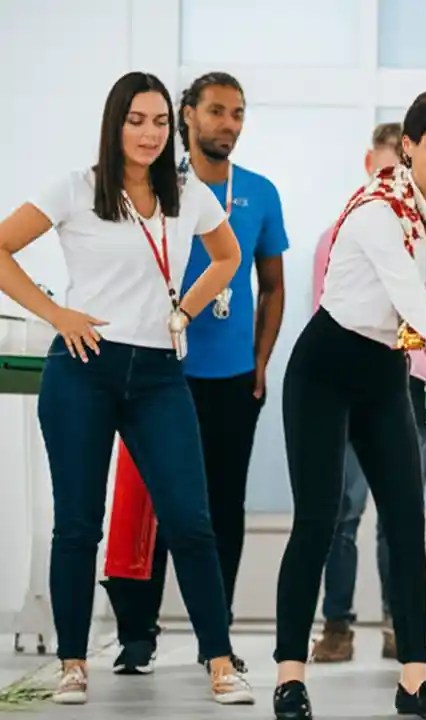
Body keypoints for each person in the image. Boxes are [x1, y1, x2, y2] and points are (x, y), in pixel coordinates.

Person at [0, 71, 253, 706]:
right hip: (83, 368)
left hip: (160, 373)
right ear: (115, 125)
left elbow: (227, 258)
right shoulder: (76, 188)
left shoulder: (187, 194)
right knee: (79, 525)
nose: (148, 133)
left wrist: (185, 312)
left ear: (174, 128)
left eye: (160, 122)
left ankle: (219, 661)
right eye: (136, 120)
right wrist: (56, 315)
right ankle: (72, 663)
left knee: (192, 523)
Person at [272, 89, 426, 720]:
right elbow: (413, 302)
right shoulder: (379, 211)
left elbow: (424, 307)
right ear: (407, 147)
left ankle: (413, 683)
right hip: (325, 366)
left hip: (386, 369)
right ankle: (290, 679)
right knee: (318, 522)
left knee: (406, 523)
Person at [103, 70, 289, 676]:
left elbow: (273, 286)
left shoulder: (260, 193)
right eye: (215, 111)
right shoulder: (155, 187)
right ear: (186, 115)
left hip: (233, 378)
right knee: (148, 501)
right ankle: (137, 633)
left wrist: (259, 364)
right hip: (159, 370)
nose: (227, 124)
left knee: (220, 508)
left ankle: (219, 635)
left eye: (237, 113)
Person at [310, 122, 426, 665]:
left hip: (414, 386)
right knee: (342, 509)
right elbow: (332, 311)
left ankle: (399, 625)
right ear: (372, 165)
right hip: (359, 384)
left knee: (403, 513)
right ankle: (336, 625)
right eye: (390, 170)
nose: (399, 183)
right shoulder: (345, 230)